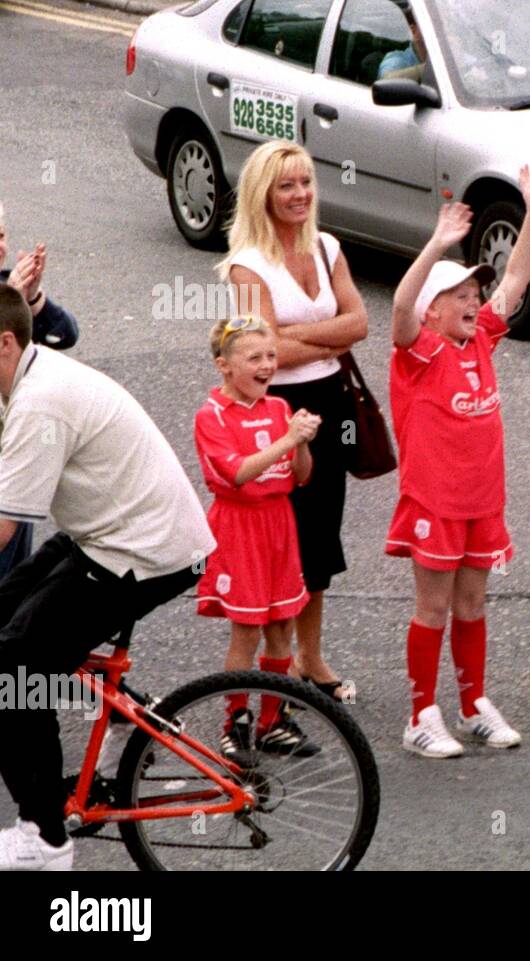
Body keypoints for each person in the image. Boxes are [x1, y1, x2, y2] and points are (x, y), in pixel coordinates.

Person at [0, 286, 216, 870]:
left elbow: (3, 526)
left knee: (15, 665)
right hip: (109, 533)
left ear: (3, 343)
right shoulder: (26, 375)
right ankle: (124, 716)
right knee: (11, 619)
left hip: (143, 551)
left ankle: (44, 837)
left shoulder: (39, 403)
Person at [385, 167, 530, 757]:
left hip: (483, 501)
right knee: (433, 606)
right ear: (433, 312)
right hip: (435, 502)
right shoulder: (418, 351)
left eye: (476, 295)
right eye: (461, 297)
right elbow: (400, 307)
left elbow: (519, 279)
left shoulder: (479, 340)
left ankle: (473, 702)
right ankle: (420, 714)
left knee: (473, 604)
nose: (476, 303)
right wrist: (436, 245)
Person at [218, 140, 369, 704]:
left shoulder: (328, 247)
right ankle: (267, 664)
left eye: (305, 182)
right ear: (264, 194)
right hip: (276, 409)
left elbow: (359, 324)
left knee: (321, 529)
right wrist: (309, 337)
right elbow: (263, 352)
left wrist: (293, 336)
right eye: (286, 185)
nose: (300, 193)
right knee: (283, 532)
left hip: (330, 401)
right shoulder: (248, 265)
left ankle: (311, 654)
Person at [194, 316, 322, 758]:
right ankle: (236, 721)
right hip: (239, 528)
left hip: (279, 523)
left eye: (270, 356)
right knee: (247, 630)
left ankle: (272, 720)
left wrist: (301, 444)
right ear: (223, 366)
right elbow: (237, 475)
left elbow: (301, 477)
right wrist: (288, 441)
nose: (267, 365)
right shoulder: (211, 417)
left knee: (281, 623)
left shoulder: (278, 409)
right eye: (254, 358)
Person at [0, 199, 81, 579]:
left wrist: (30, 299)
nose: (0, 247)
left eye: (0, 235)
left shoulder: (7, 284)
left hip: (13, 460)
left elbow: (64, 334)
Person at [378, 0, 429, 82]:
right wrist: (428, 69)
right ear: (413, 31)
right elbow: (387, 81)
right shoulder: (398, 61)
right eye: (432, 25)